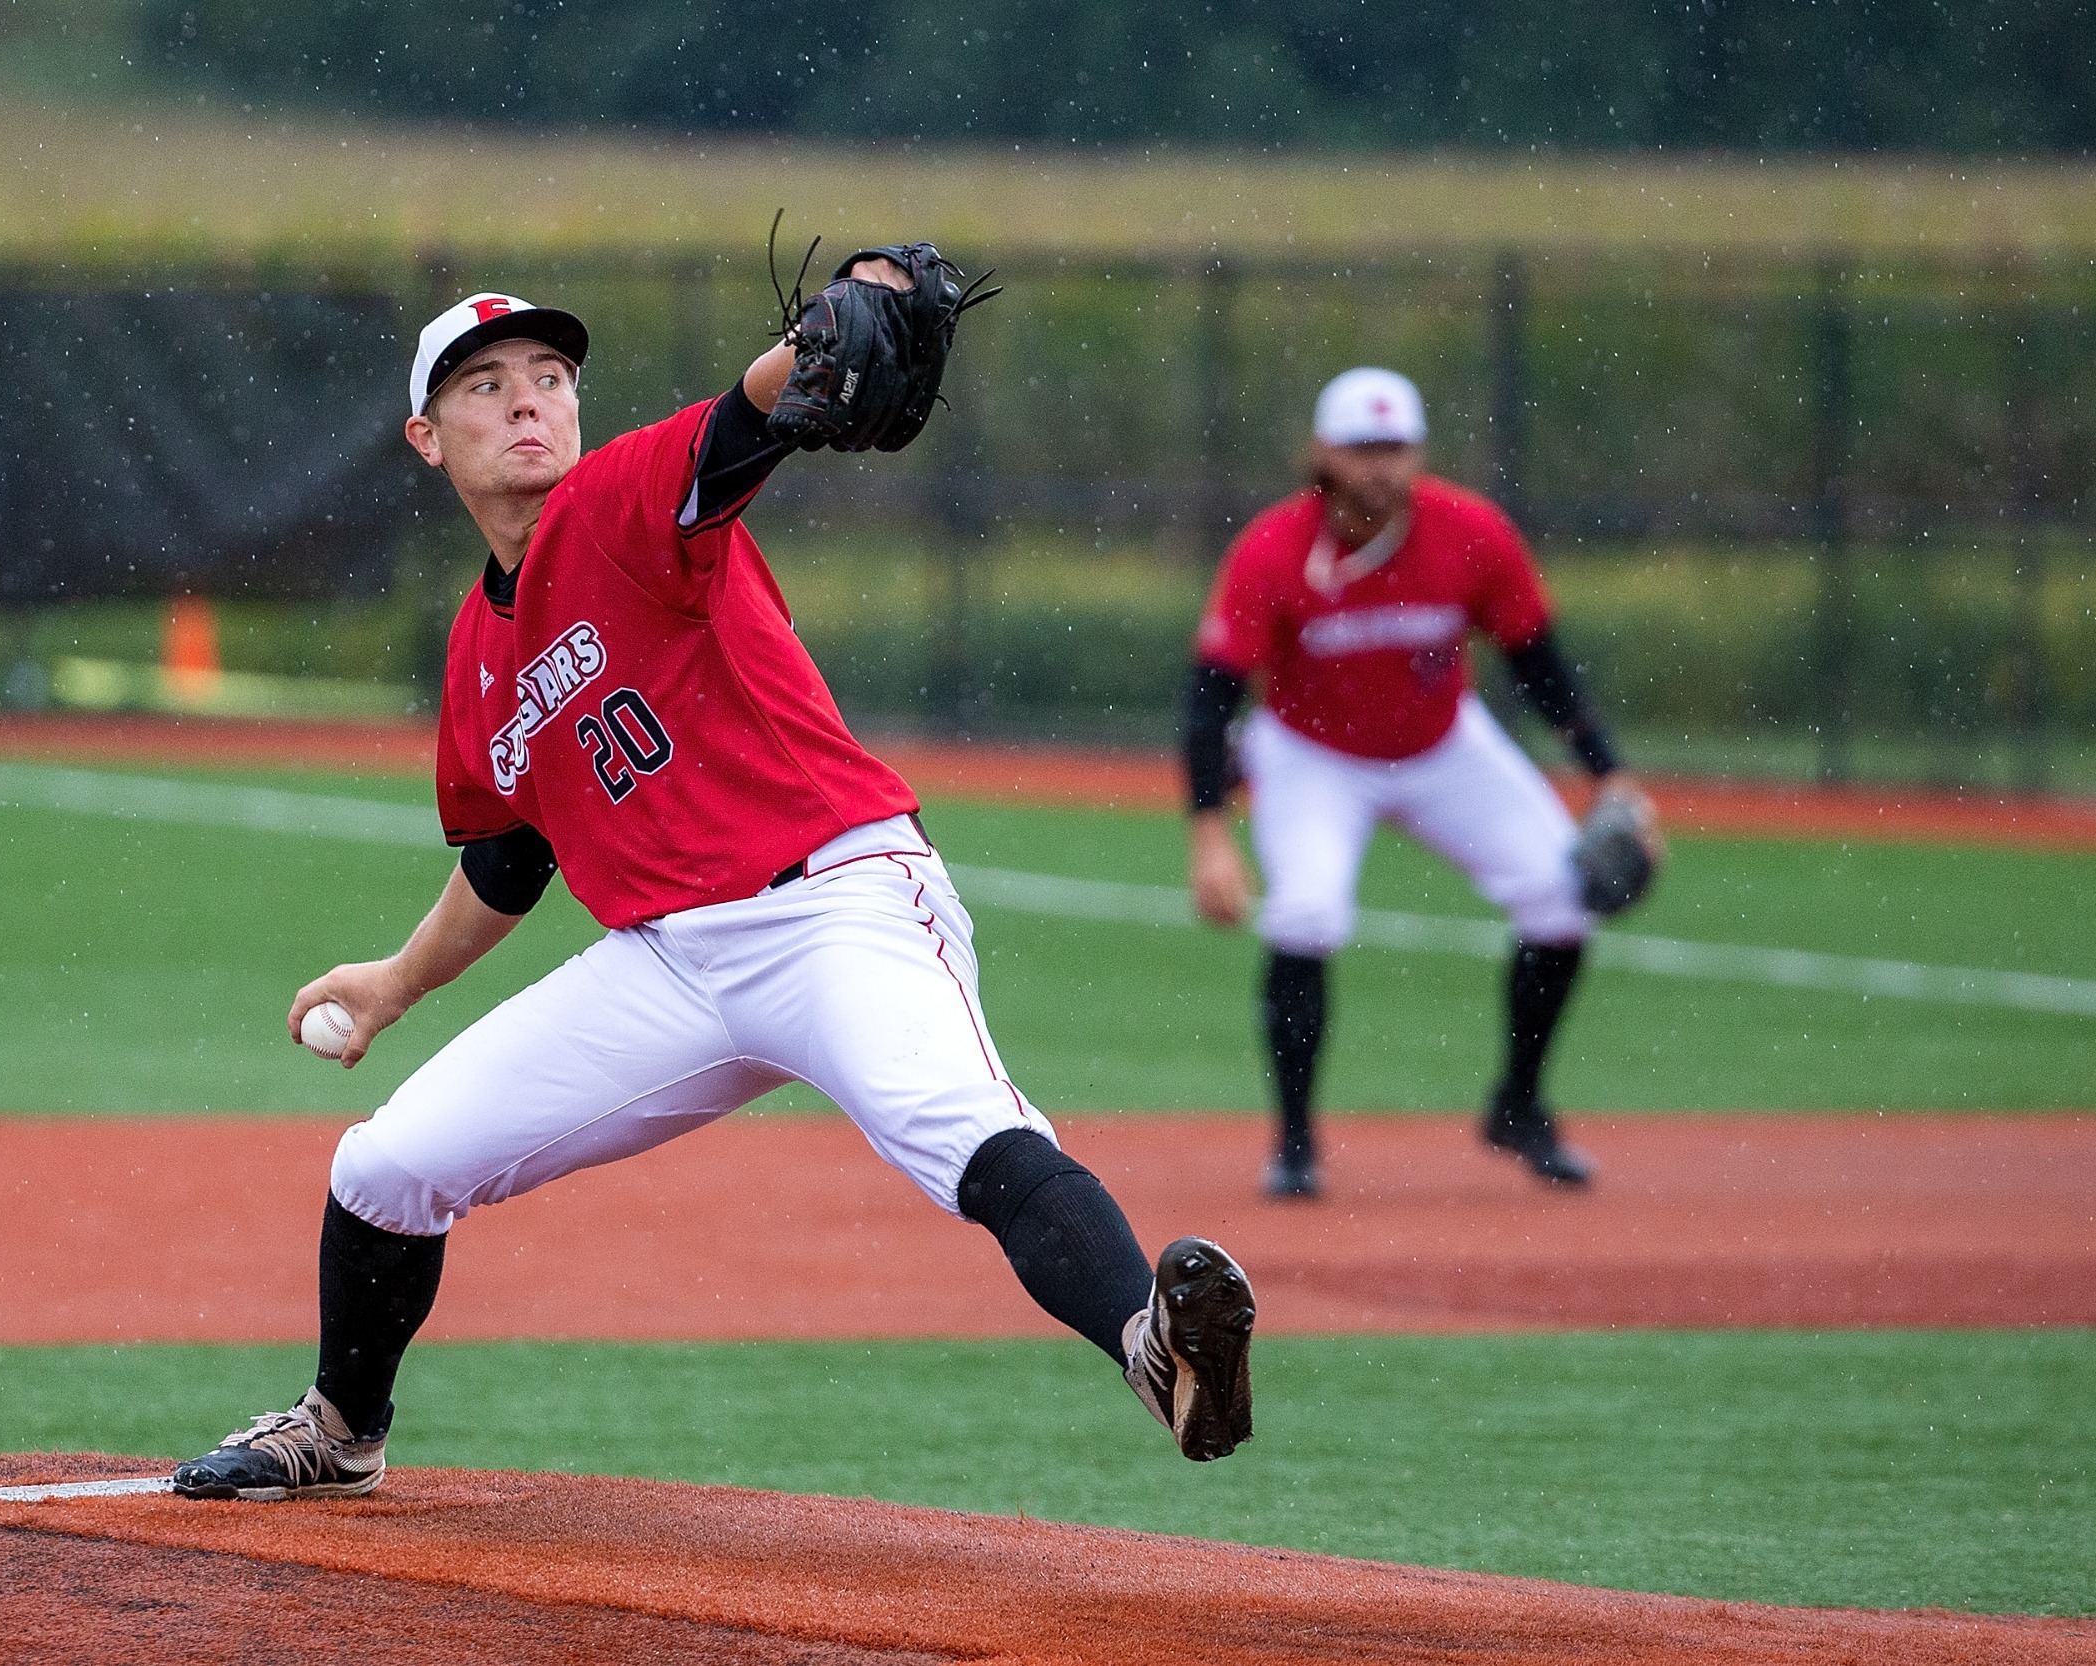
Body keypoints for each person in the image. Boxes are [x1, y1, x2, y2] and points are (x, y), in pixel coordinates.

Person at [171, 260, 1255, 1500]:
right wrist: (391, 987)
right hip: (667, 963)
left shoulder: (620, 500)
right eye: (486, 385)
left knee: (968, 1135)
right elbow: (512, 857)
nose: (528, 402)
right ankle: (340, 1427)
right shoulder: (477, 655)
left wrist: (829, 327)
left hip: (837, 903)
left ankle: (1150, 1345)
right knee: (385, 1167)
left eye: (550, 377)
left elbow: (746, 422)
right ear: (427, 437)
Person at [1181, 366, 1649, 1199]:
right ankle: (1294, 1143)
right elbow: (1211, 694)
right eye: (1363, 448)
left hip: (1442, 746)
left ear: (1419, 451)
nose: (1381, 466)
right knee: (1307, 911)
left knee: (1562, 895)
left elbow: (1540, 664)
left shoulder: (1470, 531)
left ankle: (1517, 1104)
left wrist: (1611, 778)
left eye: (1396, 447)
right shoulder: (1273, 549)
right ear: (1323, 454)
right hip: (1310, 754)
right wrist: (1210, 833)